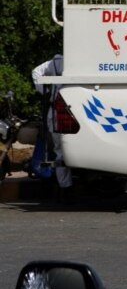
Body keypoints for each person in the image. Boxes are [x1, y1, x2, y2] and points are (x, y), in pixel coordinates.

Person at [31, 54, 72, 193]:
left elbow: (36, 72)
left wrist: (45, 92)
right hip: (71, 111)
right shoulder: (73, 61)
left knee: (59, 150)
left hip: (55, 113)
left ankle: (65, 188)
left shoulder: (53, 64)